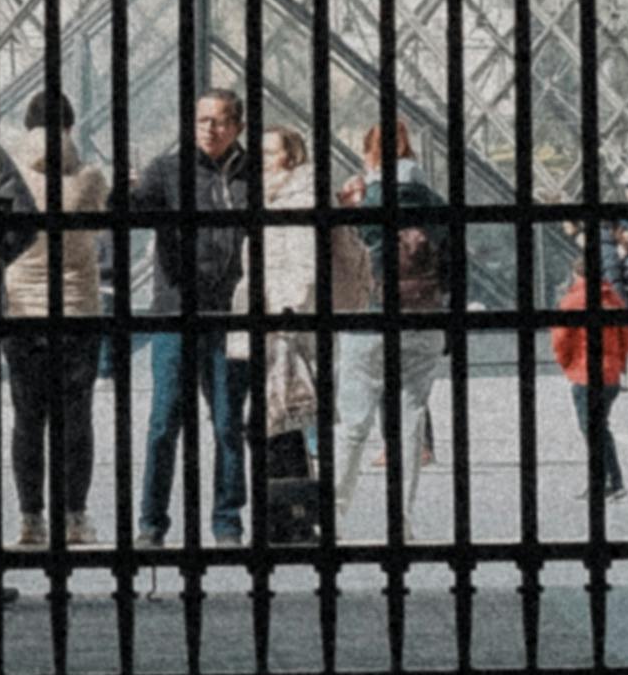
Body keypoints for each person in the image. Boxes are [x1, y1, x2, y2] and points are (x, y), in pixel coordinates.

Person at [123, 88, 256, 546]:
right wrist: (126, 193)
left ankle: (226, 522)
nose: (209, 129)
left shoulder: (253, 175)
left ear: (237, 126)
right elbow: (132, 215)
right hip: (176, 311)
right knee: (164, 423)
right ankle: (151, 523)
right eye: (202, 120)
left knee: (227, 424)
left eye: (219, 121)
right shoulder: (167, 171)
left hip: (230, 313)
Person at [328, 115, 454, 536]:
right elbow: (456, 267)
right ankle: (400, 518)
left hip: (370, 317)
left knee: (354, 426)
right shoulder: (435, 203)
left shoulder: (368, 199)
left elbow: (344, 259)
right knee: (410, 420)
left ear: (369, 153)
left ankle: (335, 515)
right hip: (425, 318)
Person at [0, 84, 110, 546]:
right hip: (79, 307)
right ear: (69, 127)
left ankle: (30, 519)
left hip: (22, 308)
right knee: (76, 418)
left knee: (28, 418)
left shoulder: (11, 174)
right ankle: (75, 517)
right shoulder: (89, 178)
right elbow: (102, 230)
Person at [252, 124, 323, 541]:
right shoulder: (273, 194)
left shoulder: (296, 197)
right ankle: (288, 513)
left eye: (270, 151)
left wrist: (286, 311)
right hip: (270, 315)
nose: (261, 158)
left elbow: (303, 263)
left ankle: (291, 515)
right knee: (280, 421)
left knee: (283, 421)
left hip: (282, 320)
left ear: (291, 157)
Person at [550, 231, 628, 505]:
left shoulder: (573, 301)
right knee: (600, 427)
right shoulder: (613, 299)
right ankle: (607, 481)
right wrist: (620, 363)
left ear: (577, 275)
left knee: (593, 430)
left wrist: (567, 365)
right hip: (610, 374)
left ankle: (609, 482)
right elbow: (627, 337)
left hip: (585, 373)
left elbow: (561, 339)